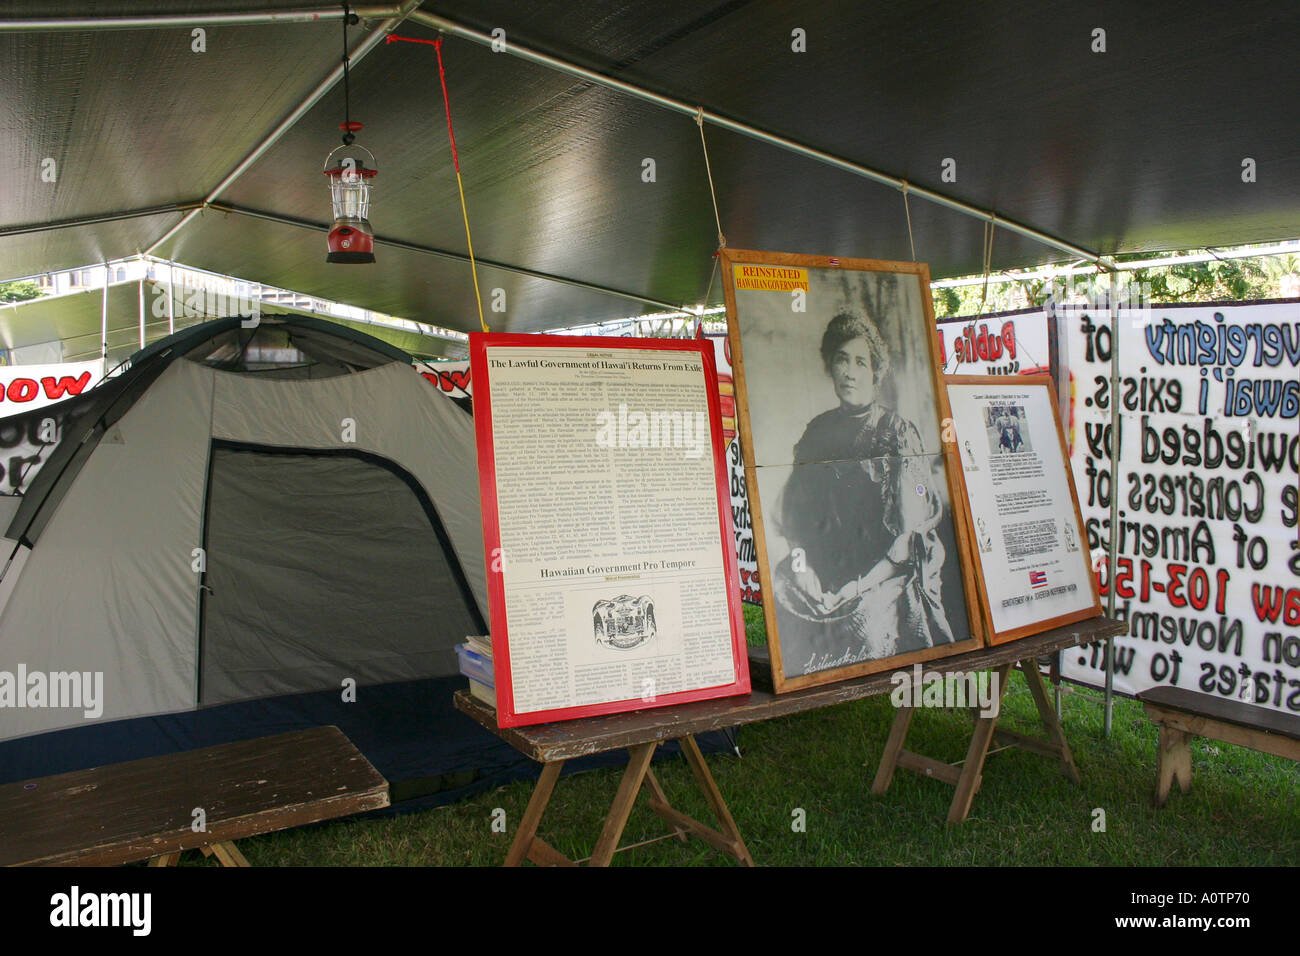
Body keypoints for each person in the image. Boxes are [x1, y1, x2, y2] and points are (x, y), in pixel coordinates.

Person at [772, 310, 957, 676]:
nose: (849, 372)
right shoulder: (817, 431)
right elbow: (795, 518)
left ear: (875, 372)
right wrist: (803, 567)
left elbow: (906, 542)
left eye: (860, 362)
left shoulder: (896, 432)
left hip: (884, 575)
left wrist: (857, 587)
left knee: (867, 631)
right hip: (825, 570)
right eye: (841, 360)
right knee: (784, 592)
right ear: (830, 367)